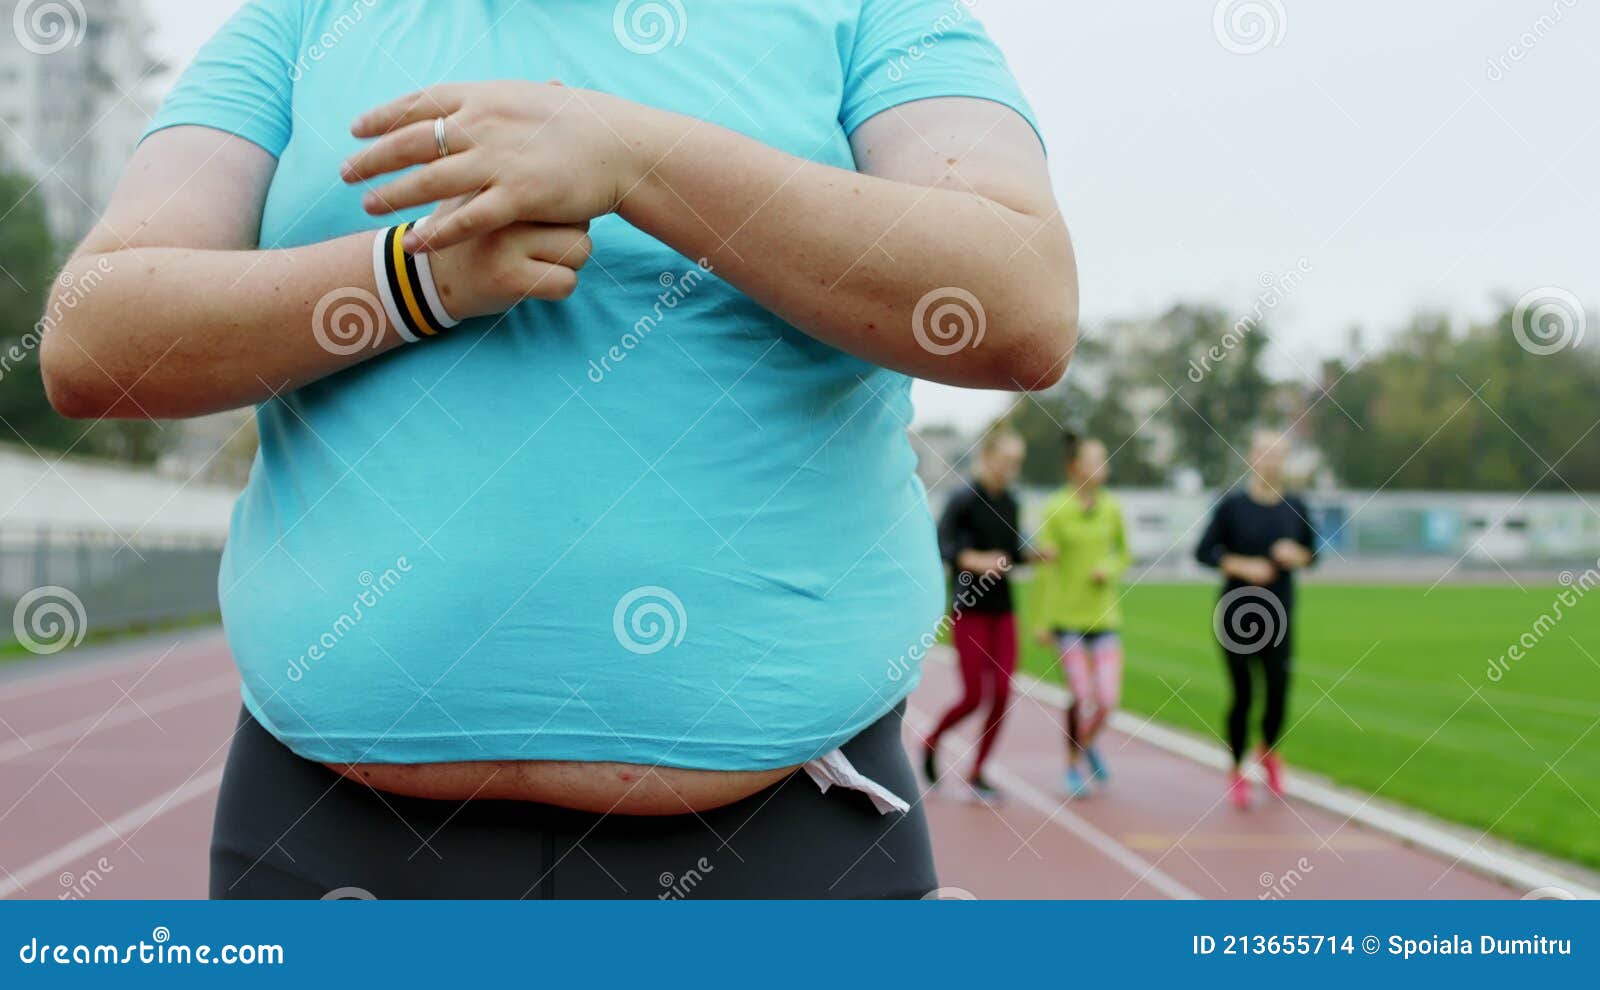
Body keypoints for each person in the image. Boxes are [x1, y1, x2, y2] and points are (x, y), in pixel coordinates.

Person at [41, 1, 1077, 898]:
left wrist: (634, 157)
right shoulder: (306, 21)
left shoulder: (869, 16)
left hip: (783, 846)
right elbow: (92, 341)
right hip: (331, 842)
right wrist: (414, 283)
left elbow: (1019, 303)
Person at [1195, 429, 1316, 811]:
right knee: (1244, 695)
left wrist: (1296, 555)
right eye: (1265, 453)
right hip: (1237, 614)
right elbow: (1204, 552)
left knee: (1279, 693)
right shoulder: (1232, 506)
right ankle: (1236, 768)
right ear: (1251, 457)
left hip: (1280, 614)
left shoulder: (1295, 504)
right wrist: (1242, 565)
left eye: (1279, 454)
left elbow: (1314, 553)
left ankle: (1269, 751)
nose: (1272, 461)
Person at [923, 424, 1033, 803]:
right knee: (973, 695)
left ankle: (978, 771)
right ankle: (932, 741)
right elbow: (943, 546)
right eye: (1006, 461)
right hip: (969, 609)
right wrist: (974, 560)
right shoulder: (962, 499)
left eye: (1016, 463)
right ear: (987, 458)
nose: (1011, 469)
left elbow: (1012, 552)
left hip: (1004, 609)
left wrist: (1037, 554)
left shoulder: (1012, 502)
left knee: (1002, 692)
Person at [1031, 434, 1130, 798]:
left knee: (1106, 699)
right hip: (1066, 618)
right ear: (1075, 467)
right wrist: (1041, 621)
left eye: (1104, 459)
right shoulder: (1055, 508)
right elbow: (1043, 567)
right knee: (1080, 692)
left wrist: (1109, 567)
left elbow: (1123, 552)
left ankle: (1086, 742)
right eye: (1095, 459)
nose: (1103, 466)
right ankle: (1072, 765)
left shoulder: (1112, 508)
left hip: (1104, 617)